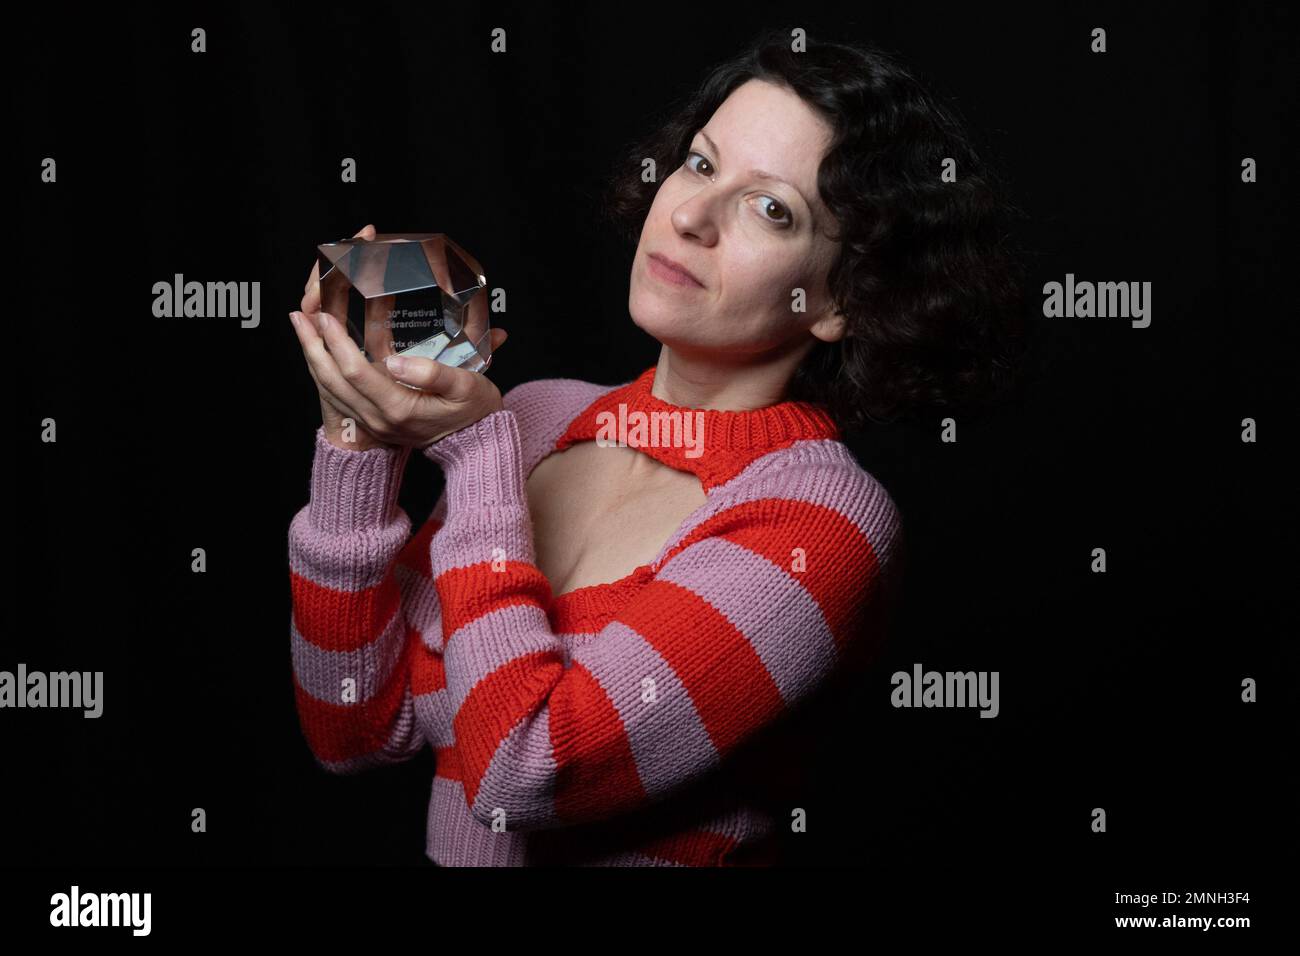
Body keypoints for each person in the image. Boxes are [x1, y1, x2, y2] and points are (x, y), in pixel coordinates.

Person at [285, 28, 1026, 866]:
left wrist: (473, 451)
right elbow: (355, 729)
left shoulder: (821, 527)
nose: (687, 215)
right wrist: (357, 439)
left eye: (771, 208)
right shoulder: (535, 419)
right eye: (702, 164)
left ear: (842, 303)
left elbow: (525, 774)